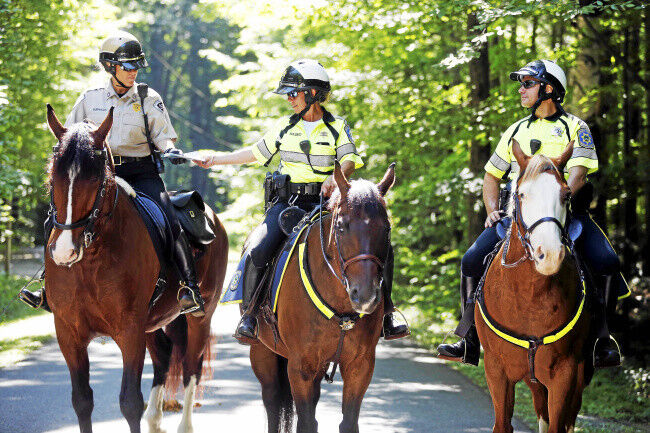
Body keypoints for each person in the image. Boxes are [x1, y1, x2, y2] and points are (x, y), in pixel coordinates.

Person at [195, 59, 410, 341]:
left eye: (293, 93)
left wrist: (336, 177)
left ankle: (388, 314)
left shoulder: (337, 127)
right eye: (287, 93)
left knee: (382, 248)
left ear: (312, 94)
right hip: (286, 205)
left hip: (327, 205)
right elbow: (254, 153)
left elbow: (348, 161)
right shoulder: (284, 127)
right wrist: (215, 160)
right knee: (257, 248)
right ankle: (249, 316)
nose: (288, 99)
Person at [436, 59, 628, 368]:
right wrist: (491, 210)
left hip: (565, 215)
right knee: (470, 259)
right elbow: (491, 175)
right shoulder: (516, 130)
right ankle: (468, 337)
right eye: (521, 84)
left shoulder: (576, 128)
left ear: (549, 89)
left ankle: (602, 340)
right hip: (517, 217)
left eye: (528, 84)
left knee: (607, 261)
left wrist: (553, 203)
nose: (521, 90)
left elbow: (578, 175)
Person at [20, 31, 205, 316]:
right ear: (110, 66)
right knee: (55, 217)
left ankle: (188, 286)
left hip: (140, 173)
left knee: (169, 217)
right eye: (128, 66)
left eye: (136, 67)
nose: (134, 72)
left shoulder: (147, 97)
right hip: (97, 175)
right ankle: (48, 287)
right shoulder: (89, 98)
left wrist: (169, 150)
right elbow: (68, 136)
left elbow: (164, 136)